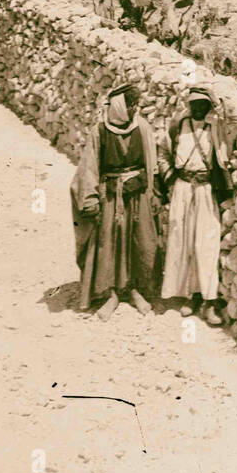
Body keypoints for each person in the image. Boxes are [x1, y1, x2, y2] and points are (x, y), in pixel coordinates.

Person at [70, 80, 160, 320]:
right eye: (130, 105)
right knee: (108, 243)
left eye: (135, 105)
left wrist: (153, 194)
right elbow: (88, 168)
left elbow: (152, 164)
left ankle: (134, 290)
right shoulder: (99, 131)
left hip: (137, 195)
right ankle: (110, 293)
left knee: (139, 240)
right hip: (110, 196)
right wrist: (90, 200)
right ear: (119, 106)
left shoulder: (143, 127)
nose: (134, 110)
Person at [158, 83, 237, 325]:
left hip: (207, 189)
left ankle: (209, 301)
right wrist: (170, 179)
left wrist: (219, 101)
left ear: (208, 106)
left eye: (202, 104)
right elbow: (163, 151)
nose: (197, 108)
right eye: (193, 104)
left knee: (205, 244)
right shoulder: (179, 125)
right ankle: (190, 295)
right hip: (183, 188)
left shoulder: (217, 127)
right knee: (182, 241)